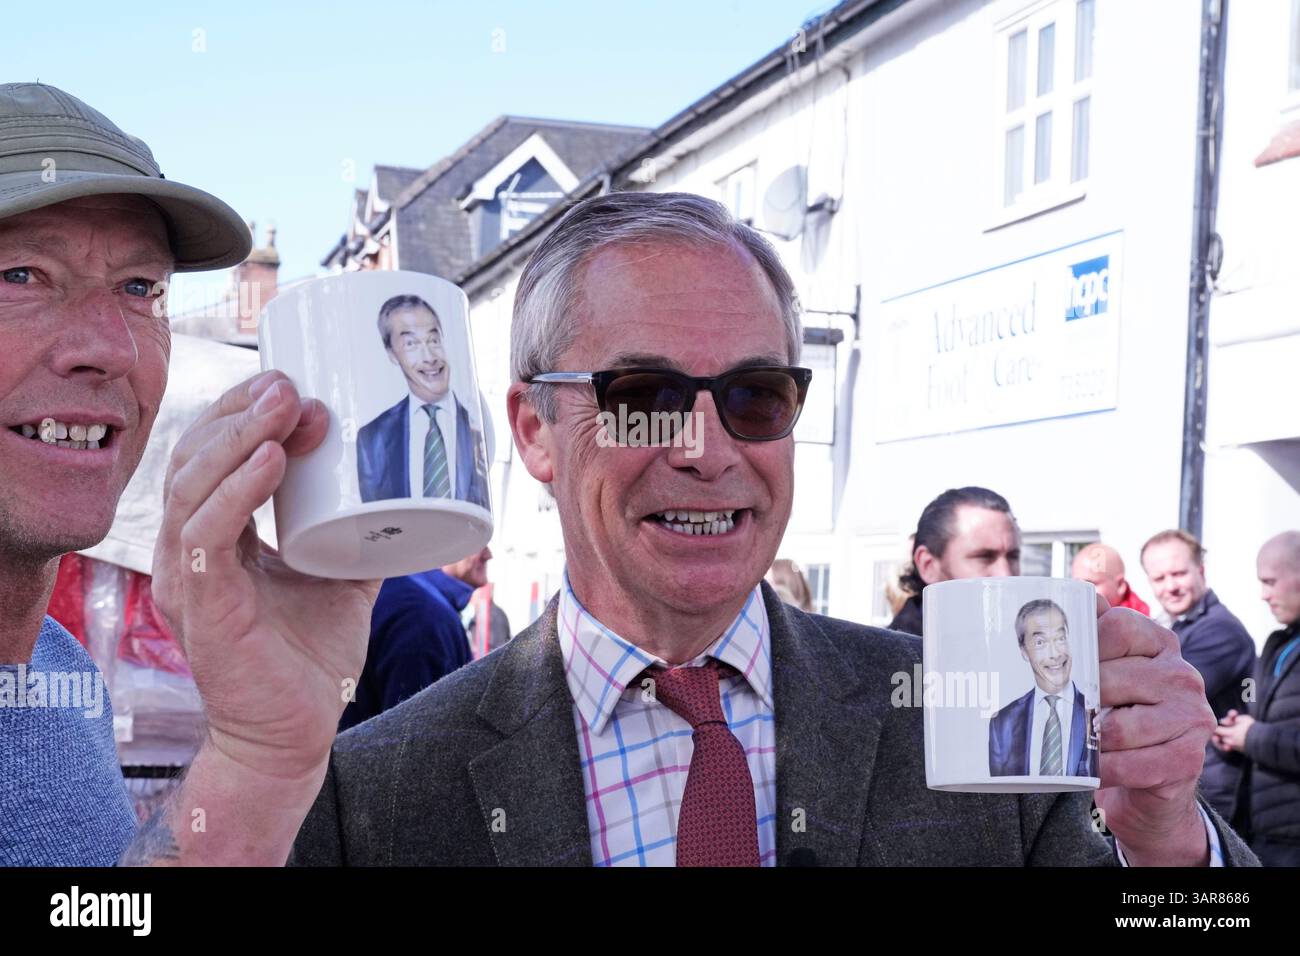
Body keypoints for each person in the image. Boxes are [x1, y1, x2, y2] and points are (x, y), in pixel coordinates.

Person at [168, 190, 1252, 867]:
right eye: (641, 390)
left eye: (754, 395)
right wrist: (253, 762)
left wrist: (1167, 843)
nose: (704, 445)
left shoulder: (960, 722)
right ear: (535, 432)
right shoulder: (375, 787)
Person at [0, 82, 258, 864]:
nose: (110, 348)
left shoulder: (58, 671)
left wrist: (263, 754)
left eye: (140, 288)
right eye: (21, 276)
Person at [1141, 529, 1255, 821]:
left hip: (1211, 789)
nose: (1171, 586)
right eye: (1159, 578)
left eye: (1178, 574)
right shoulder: (1175, 626)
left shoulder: (1221, 630)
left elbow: (1163, 691)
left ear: (1201, 571)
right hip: (1189, 780)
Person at [1213, 531, 1300, 866]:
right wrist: (1236, 736)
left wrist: (1253, 737)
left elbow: (1263, 735)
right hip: (1265, 833)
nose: (1263, 595)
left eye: (1270, 581)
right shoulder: (1279, 643)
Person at [337, 546, 492, 731]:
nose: (489, 555)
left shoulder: (404, 597)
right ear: (442, 539)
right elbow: (416, 743)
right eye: (479, 543)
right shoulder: (423, 617)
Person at [356, 294, 489, 507]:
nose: (429, 356)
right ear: (391, 353)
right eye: (411, 344)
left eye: (433, 340)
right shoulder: (373, 438)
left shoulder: (476, 423)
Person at [888, 486, 1020, 636]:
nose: (1006, 573)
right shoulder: (883, 656)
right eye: (984, 556)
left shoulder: (1023, 646)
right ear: (928, 565)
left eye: (1013, 556)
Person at [989, 600, 1098, 778]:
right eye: (1040, 642)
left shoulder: (1094, 713)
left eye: (1060, 638)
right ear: (1024, 651)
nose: (1055, 654)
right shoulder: (1002, 723)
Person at [1071, 542, 1150, 615]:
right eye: (1076, 584)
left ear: (1120, 585)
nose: (1079, 591)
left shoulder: (1143, 627)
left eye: (1089, 583)